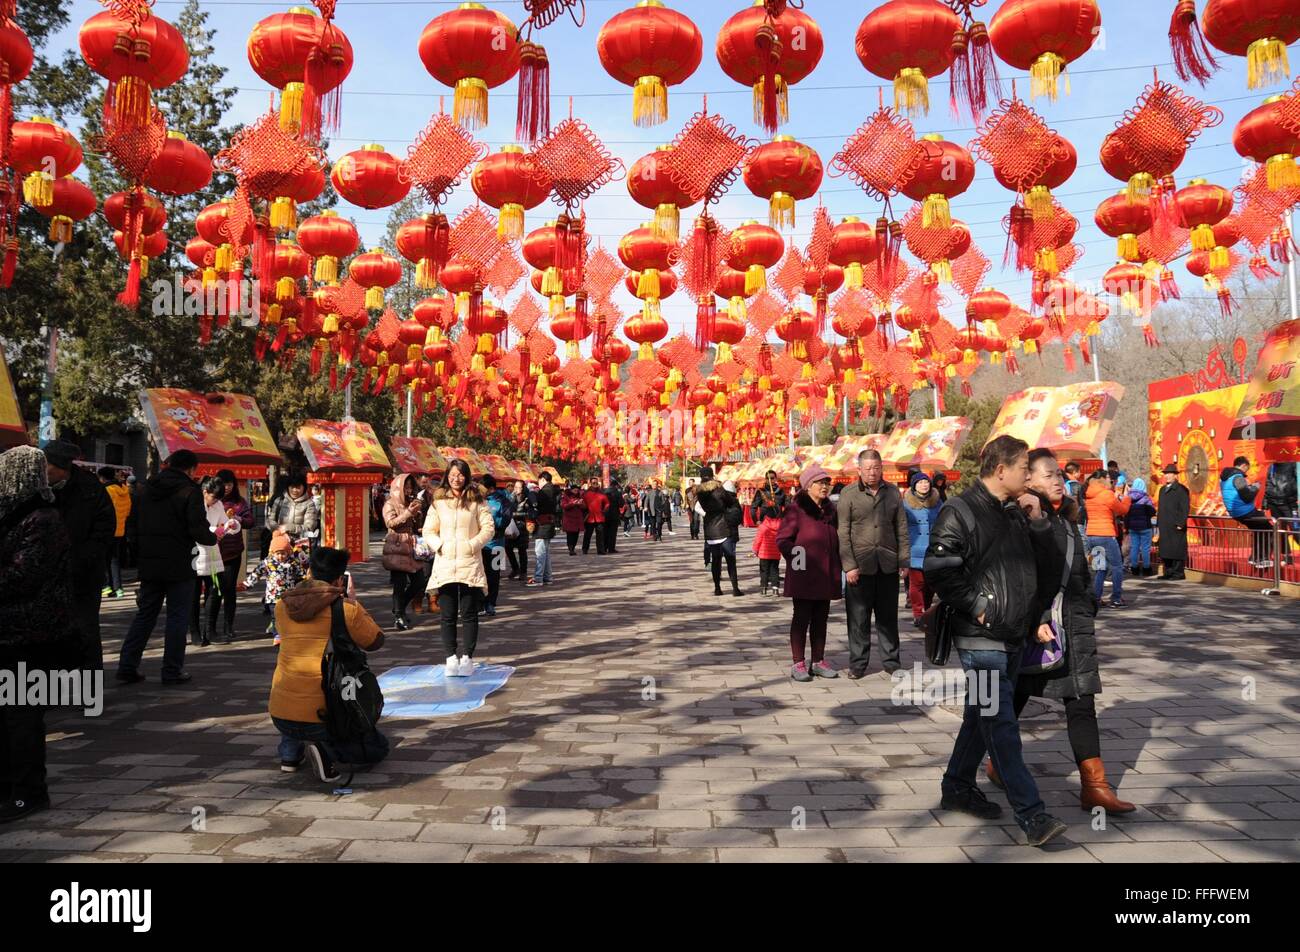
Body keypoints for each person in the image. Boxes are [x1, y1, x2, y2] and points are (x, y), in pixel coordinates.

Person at [925, 435, 1067, 848]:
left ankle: (956, 786)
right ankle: (1032, 814)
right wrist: (979, 606)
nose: (1029, 473)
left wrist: (1038, 521)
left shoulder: (1015, 511)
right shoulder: (960, 510)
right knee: (1001, 723)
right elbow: (939, 568)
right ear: (1000, 469)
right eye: (1024, 466)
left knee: (981, 715)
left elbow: (1045, 567)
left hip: (1014, 634)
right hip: (980, 638)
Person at [997, 449, 1135, 814]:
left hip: (1075, 626)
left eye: (1059, 473)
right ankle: (993, 760)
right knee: (1017, 696)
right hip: (1040, 628)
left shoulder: (1067, 520)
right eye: (1048, 474)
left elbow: (1079, 572)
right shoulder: (1022, 517)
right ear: (1028, 480)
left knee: (1082, 701)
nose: (1058, 479)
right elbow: (1021, 575)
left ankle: (1095, 787)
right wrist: (1034, 618)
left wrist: (1090, 602)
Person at [0, 446, 82, 822]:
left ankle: (28, 793)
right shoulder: (14, 514)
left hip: (30, 631)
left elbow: (24, 574)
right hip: (10, 629)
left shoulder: (41, 518)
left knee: (21, 715)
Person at [269, 546, 388, 783]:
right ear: (338, 579)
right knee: (376, 744)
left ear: (310, 573)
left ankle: (290, 756)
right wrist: (355, 605)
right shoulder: (344, 609)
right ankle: (326, 753)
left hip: (280, 712)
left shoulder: (283, 605)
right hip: (323, 717)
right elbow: (375, 641)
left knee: (296, 696)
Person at [117, 450, 218, 685]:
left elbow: (131, 524)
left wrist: (140, 551)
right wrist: (213, 539)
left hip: (150, 562)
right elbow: (197, 528)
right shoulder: (189, 491)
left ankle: (127, 665)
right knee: (177, 617)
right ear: (192, 469)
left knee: (145, 614)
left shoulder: (144, 489)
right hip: (179, 562)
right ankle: (171, 670)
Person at [43, 440, 115, 669]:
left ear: (62, 467)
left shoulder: (90, 488)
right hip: (49, 574)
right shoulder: (40, 489)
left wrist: (82, 559)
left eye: (47, 467)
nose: (43, 472)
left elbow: (104, 529)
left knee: (86, 630)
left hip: (83, 572)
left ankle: (90, 691)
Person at [838, 450, 909, 678]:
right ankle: (858, 664)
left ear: (882, 468)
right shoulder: (848, 494)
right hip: (860, 566)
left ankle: (891, 661)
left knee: (888, 617)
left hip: (887, 564)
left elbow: (901, 528)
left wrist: (904, 560)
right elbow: (843, 532)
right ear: (859, 470)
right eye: (867, 468)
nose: (872, 473)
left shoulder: (893, 493)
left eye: (876, 468)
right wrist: (849, 565)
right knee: (858, 618)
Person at [423, 459, 494, 677]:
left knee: (469, 613)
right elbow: (428, 530)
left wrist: (472, 545)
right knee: (448, 614)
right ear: (447, 475)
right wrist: (440, 546)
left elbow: (488, 527)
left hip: (469, 563)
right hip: (445, 564)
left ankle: (468, 658)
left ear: (467, 476)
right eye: (453, 474)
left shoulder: (476, 500)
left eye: (461, 474)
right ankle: (450, 657)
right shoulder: (438, 501)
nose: (457, 478)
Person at [776, 465, 842, 681]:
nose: (824, 487)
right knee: (801, 618)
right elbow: (783, 540)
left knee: (821, 619)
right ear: (807, 486)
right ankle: (798, 663)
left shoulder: (831, 511)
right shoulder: (796, 510)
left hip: (826, 573)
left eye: (826, 482)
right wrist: (799, 559)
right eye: (820, 483)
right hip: (804, 573)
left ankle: (818, 660)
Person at [203, 469, 253, 644]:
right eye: (224, 484)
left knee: (229, 590)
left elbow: (250, 521)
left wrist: (237, 519)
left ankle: (228, 626)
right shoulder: (210, 502)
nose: (227, 487)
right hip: (214, 552)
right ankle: (209, 629)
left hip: (233, 552)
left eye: (230, 484)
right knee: (215, 591)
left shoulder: (240, 502)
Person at [243, 529, 312, 645]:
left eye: (283, 553)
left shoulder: (292, 562)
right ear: (272, 552)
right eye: (278, 553)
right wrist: (247, 584)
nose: (280, 556)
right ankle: (277, 635)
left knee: (288, 615)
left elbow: (301, 574)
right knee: (275, 616)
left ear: (288, 552)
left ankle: (287, 632)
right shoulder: (267, 563)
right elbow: (256, 573)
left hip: (288, 595)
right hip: (272, 595)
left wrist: (307, 580)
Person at [380, 473, 428, 631]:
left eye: (410, 487)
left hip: (411, 546)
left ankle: (399, 608)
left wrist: (417, 514)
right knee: (399, 583)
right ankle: (399, 616)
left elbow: (415, 526)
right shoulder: (389, 504)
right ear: (398, 488)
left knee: (419, 581)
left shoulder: (411, 502)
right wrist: (408, 513)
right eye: (405, 487)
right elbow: (390, 522)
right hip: (397, 545)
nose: (408, 490)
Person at [190, 476, 229, 648]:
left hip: (213, 551)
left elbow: (224, 523)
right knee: (193, 593)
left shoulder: (218, 504)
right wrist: (214, 530)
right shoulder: (194, 503)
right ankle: (194, 631)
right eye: (213, 497)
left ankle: (210, 629)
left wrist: (230, 526)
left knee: (215, 590)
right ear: (205, 492)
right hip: (195, 551)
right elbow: (196, 526)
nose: (215, 502)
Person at [1084, 469, 1131, 608]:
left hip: (1092, 535)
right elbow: (1122, 510)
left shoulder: (1088, 495)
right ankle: (1116, 599)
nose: (1110, 481)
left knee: (1100, 568)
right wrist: (1127, 498)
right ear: (1102, 479)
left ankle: (1096, 598)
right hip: (1106, 535)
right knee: (1117, 566)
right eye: (1108, 478)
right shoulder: (1106, 494)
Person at [696, 467, 745, 596]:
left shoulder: (700, 492)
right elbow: (730, 501)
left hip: (710, 528)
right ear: (712, 475)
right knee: (730, 558)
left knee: (715, 560)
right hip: (723, 526)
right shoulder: (719, 489)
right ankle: (735, 588)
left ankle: (717, 588)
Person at [903, 471, 942, 629]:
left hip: (933, 549)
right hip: (915, 548)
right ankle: (918, 614)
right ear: (913, 486)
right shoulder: (905, 503)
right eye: (920, 483)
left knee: (931, 584)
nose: (924, 485)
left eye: (926, 482)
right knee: (916, 584)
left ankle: (926, 611)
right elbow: (901, 527)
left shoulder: (938, 502)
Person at [1222, 456, 1274, 569]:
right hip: (1245, 511)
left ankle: (1254, 558)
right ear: (1243, 466)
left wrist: (1249, 488)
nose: (1247, 471)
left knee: (1259, 530)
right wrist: (1255, 487)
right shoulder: (1238, 478)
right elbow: (1247, 496)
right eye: (1247, 468)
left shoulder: (1225, 478)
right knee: (1268, 529)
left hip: (1236, 512)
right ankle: (1262, 559)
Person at [481, 475, 516, 616]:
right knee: (481, 574)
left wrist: (492, 527)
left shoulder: (503, 501)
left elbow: (506, 520)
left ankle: (490, 603)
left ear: (490, 488)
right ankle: (482, 603)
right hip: (482, 545)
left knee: (495, 575)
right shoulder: (479, 500)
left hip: (497, 544)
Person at [752, 471, 786, 597]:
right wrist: (756, 520)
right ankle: (771, 587)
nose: (771, 480)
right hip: (766, 524)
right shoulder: (761, 492)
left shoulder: (781, 492)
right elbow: (753, 507)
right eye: (768, 478)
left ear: (776, 479)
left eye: (772, 478)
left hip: (775, 524)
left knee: (768, 567)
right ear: (765, 479)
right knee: (772, 567)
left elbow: (787, 506)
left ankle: (767, 587)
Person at [100, 467, 131, 599]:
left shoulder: (106, 490)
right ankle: (118, 589)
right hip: (120, 530)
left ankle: (106, 586)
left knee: (102, 559)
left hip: (106, 530)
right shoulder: (124, 491)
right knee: (114, 560)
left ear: (102, 477)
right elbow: (128, 511)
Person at [1156, 464, 1190, 581]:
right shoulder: (1162, 490)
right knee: (1166, 549)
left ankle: (1178, 573)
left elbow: (1185, 507)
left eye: (1170, 473)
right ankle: (1168, 571)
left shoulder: (1181, 489)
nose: (1167, 476)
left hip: (1175, 525)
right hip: (1164, 524)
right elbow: (1160, 507)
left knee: (1176, 549)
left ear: (1175, 475)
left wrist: (1181, 522)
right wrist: (1158, 523)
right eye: (1166, 473)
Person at [266, 475, 319, 545]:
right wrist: (280, 530)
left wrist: (289, 528)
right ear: (288, 487)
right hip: (280, 543)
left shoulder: (309, 504)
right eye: (292, 487)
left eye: (298, 487)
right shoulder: (279, 501)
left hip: (300, 545)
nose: (294, 490)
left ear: (304, 488)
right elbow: (270, 521)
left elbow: (309, 527)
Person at [1125, 477, 1157, 577]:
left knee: (1134, 547)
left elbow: (1126, 513)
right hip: (1145, 527)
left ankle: (1134, 568)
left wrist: (1127, 526)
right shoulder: (1146, 499)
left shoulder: (1128, 499)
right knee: (1145, 548)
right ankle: (1146, 568)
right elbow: (1152, 512)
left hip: (1133, 528)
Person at [532, 471, 559, 586]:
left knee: (540, 552)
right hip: (549, 523)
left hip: (543, 524)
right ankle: (547, 577)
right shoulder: (553, 490)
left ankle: (538, 578)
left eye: (539, 481)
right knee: (545, 552)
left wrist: (533, 495)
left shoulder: (544, 492)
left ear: (543, 479)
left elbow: (537, 505)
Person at [582, 478, 609, 555]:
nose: (595, 485)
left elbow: (607, 503)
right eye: (593, 483)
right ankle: (585, 549)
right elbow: (582, 503)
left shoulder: (602, 494)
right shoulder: (586, 494)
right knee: (587, 535)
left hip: (599, 517)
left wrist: (605, 510)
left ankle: (600, 550)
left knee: (600, 535)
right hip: (589, 517)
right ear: (590, 484)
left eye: (596, 483)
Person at [561, 482, 587, 555]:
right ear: (571, 490)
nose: (576, 491)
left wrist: (581, 504)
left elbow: (585, 507)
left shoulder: (580, 497)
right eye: (574, 490)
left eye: (577, 490)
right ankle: (571, 549)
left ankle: (573, 548)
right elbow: (564, 506)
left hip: (577, 519)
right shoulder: (566, 497)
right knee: (570, 535)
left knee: (576, 535)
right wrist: (573, 503)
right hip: (569, 519)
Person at [604, 478, 624, 555]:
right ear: (616, 485)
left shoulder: (604, 492)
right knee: (612, 532)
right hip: (614, 514)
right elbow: (621, 504)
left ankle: (604, 547)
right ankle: (611, 548)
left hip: (605, 514)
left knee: (605, 531)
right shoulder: (618, 493)